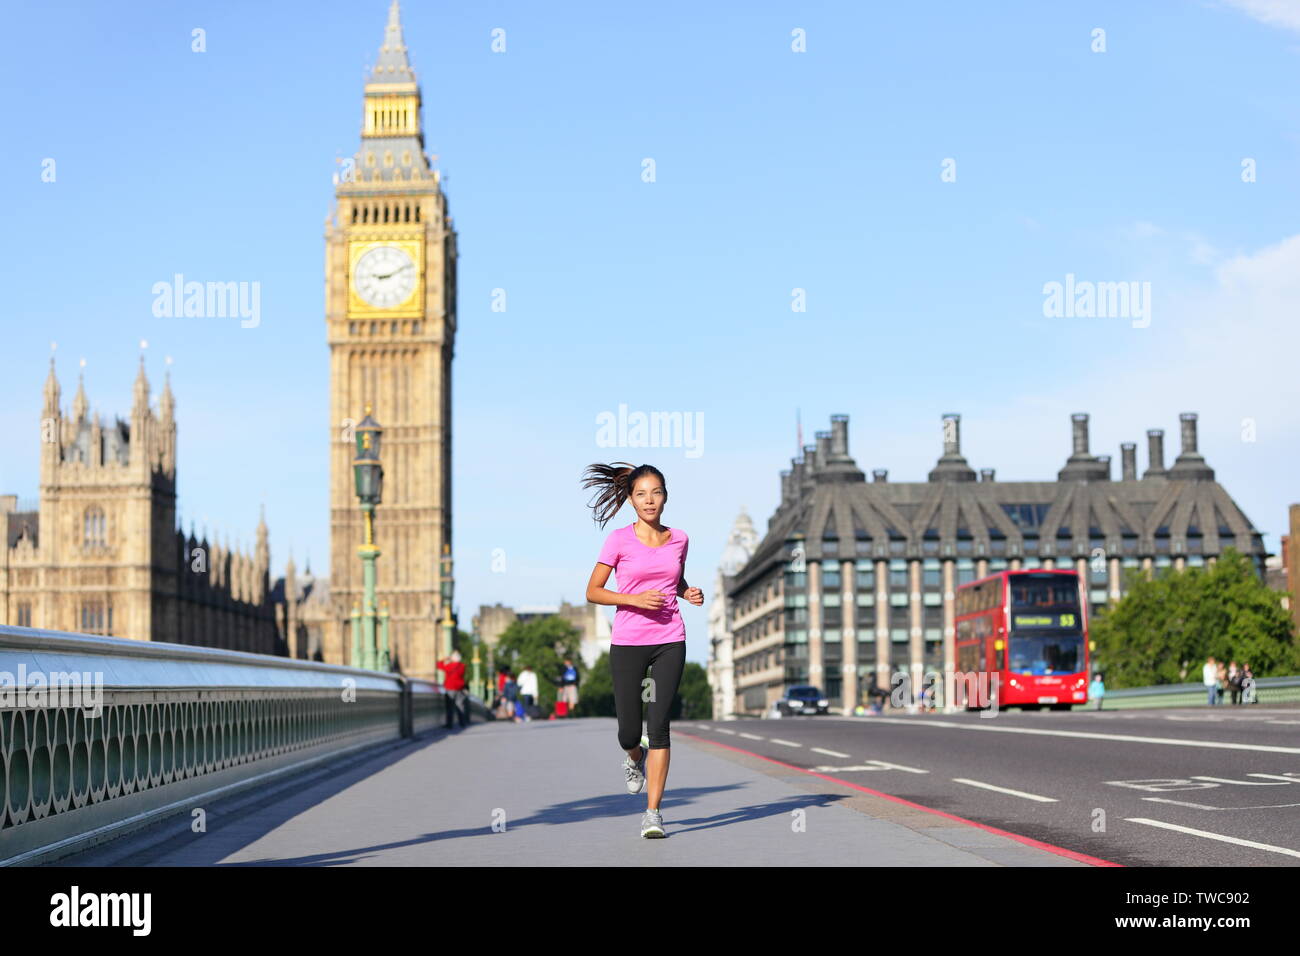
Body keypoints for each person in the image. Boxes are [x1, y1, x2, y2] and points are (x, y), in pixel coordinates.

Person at [583, 462, 702, 839]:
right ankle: (634, 758)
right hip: (629, 640)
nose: (649, 500)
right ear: (631, 500)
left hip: (670, 638)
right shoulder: (619, 540)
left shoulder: (680, 538)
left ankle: (653, 813)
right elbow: (593, 591)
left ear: (665, 496)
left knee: (661, 726)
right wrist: (633, 599)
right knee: (629, 732)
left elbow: (673, 578)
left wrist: (687, 592)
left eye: (656, 492)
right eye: (641, 494)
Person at [438, 649, 469, 729]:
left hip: (450, 688)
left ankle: (449, 724)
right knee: (460, 705)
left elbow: (439, 665)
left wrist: (445, 659)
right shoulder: (463, 666)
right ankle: (462, 723)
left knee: (450, 707)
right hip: (460, 688)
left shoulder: (449, 666)